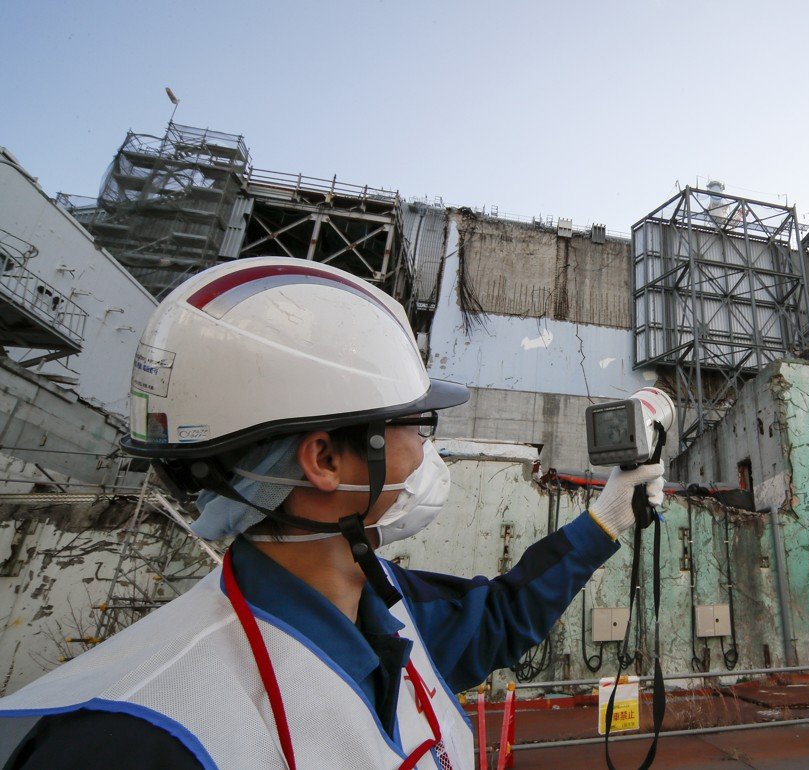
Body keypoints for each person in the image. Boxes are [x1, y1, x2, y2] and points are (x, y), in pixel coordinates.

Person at [0, 258, 664, 769]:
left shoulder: (387, 604)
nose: (428, 448)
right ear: (325, 460)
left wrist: (606, 518)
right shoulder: (136, 736)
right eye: (417, 422)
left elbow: (499, 620)